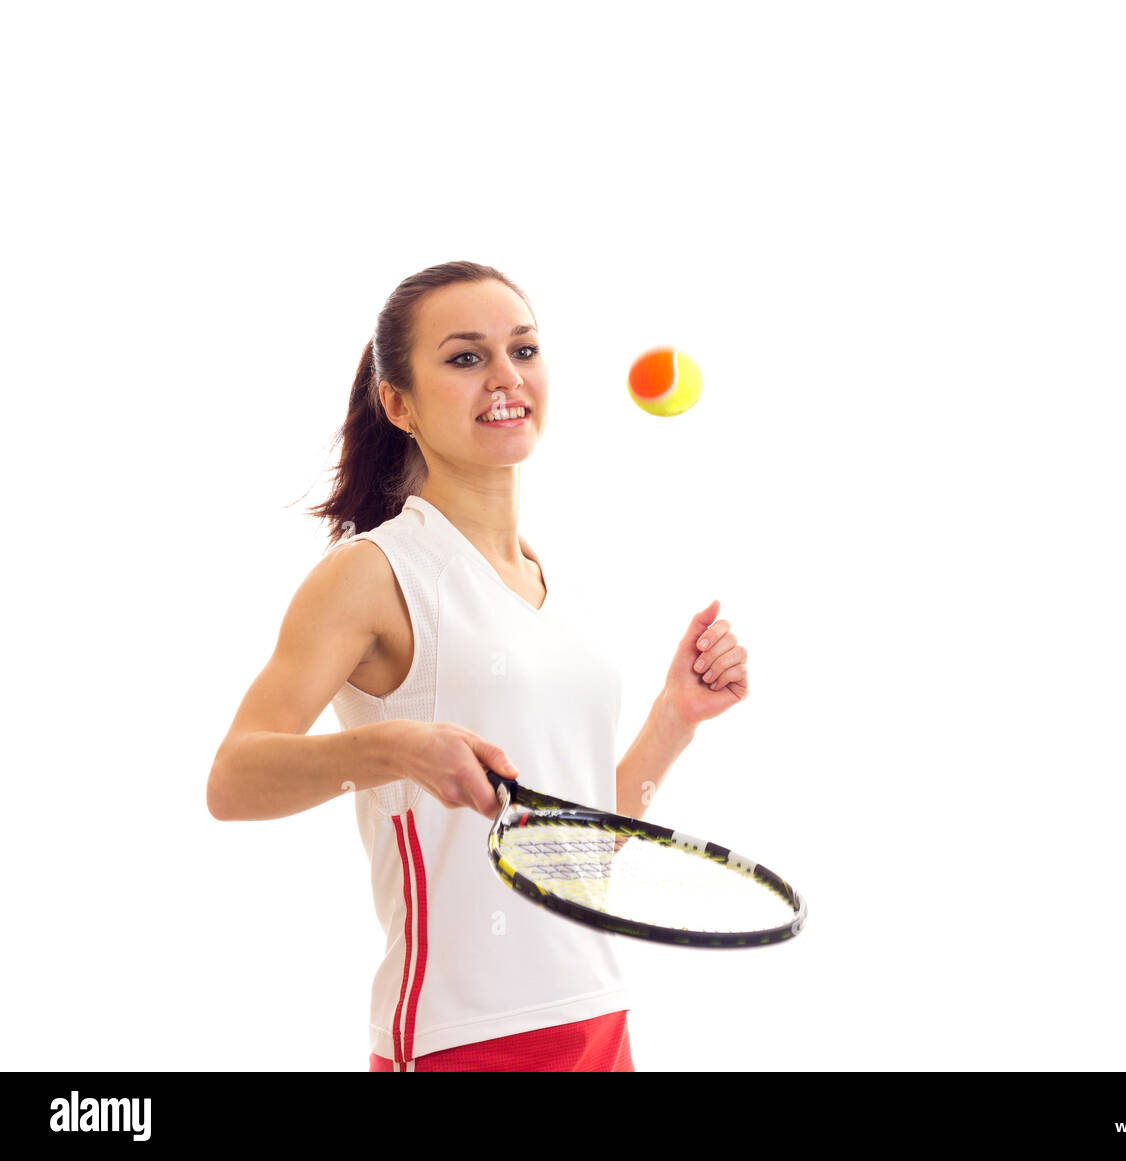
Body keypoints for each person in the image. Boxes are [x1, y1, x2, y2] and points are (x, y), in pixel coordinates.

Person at [206, 260, 750, 1071]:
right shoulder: (375, 573)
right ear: (399, 402)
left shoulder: (555, 588)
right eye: (465, 358)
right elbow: (233, 779)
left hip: (596, 1016)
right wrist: (395, 748)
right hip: (462, 1037)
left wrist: (674, 718)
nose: (505, 377)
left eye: (523, 350)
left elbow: (572, 855)